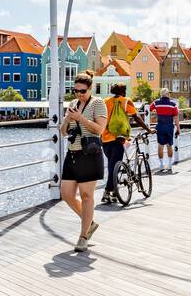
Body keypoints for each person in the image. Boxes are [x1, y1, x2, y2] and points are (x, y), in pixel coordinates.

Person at [60, 72, 108, 251]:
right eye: (76, 91)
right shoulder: (72, 104)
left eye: (82, 91)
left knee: (87, 196)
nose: (78, 94)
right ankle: (90, 223)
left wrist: (80, 119)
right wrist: (67, 119)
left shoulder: (98, 103)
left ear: (90, 88)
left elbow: (100, 130)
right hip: (72, 154)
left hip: (89, 154)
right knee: (66, 194)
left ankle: (83, 236)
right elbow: (63, 132)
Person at [101, 82, 148, 204]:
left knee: (112, 166)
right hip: (118, 138)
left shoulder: (106, 101)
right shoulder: (126, 101)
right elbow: (136, 118)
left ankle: (112, 193)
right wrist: (148, 129)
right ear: (123, 91)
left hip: (104, 139)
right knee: (113, 167)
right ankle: (107, 192)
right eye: (125, 89)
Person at [151, 91, 180, 172]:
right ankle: (170, 164)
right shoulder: (173, 104)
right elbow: (176, 118)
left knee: (160, 145)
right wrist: (178, 129)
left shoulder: (156, 102)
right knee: (169, 145)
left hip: (160, 126)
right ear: (168, 95)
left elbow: (149, 108)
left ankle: (161, 165)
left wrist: (155, 113)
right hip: (169, 127)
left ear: (161, 95)